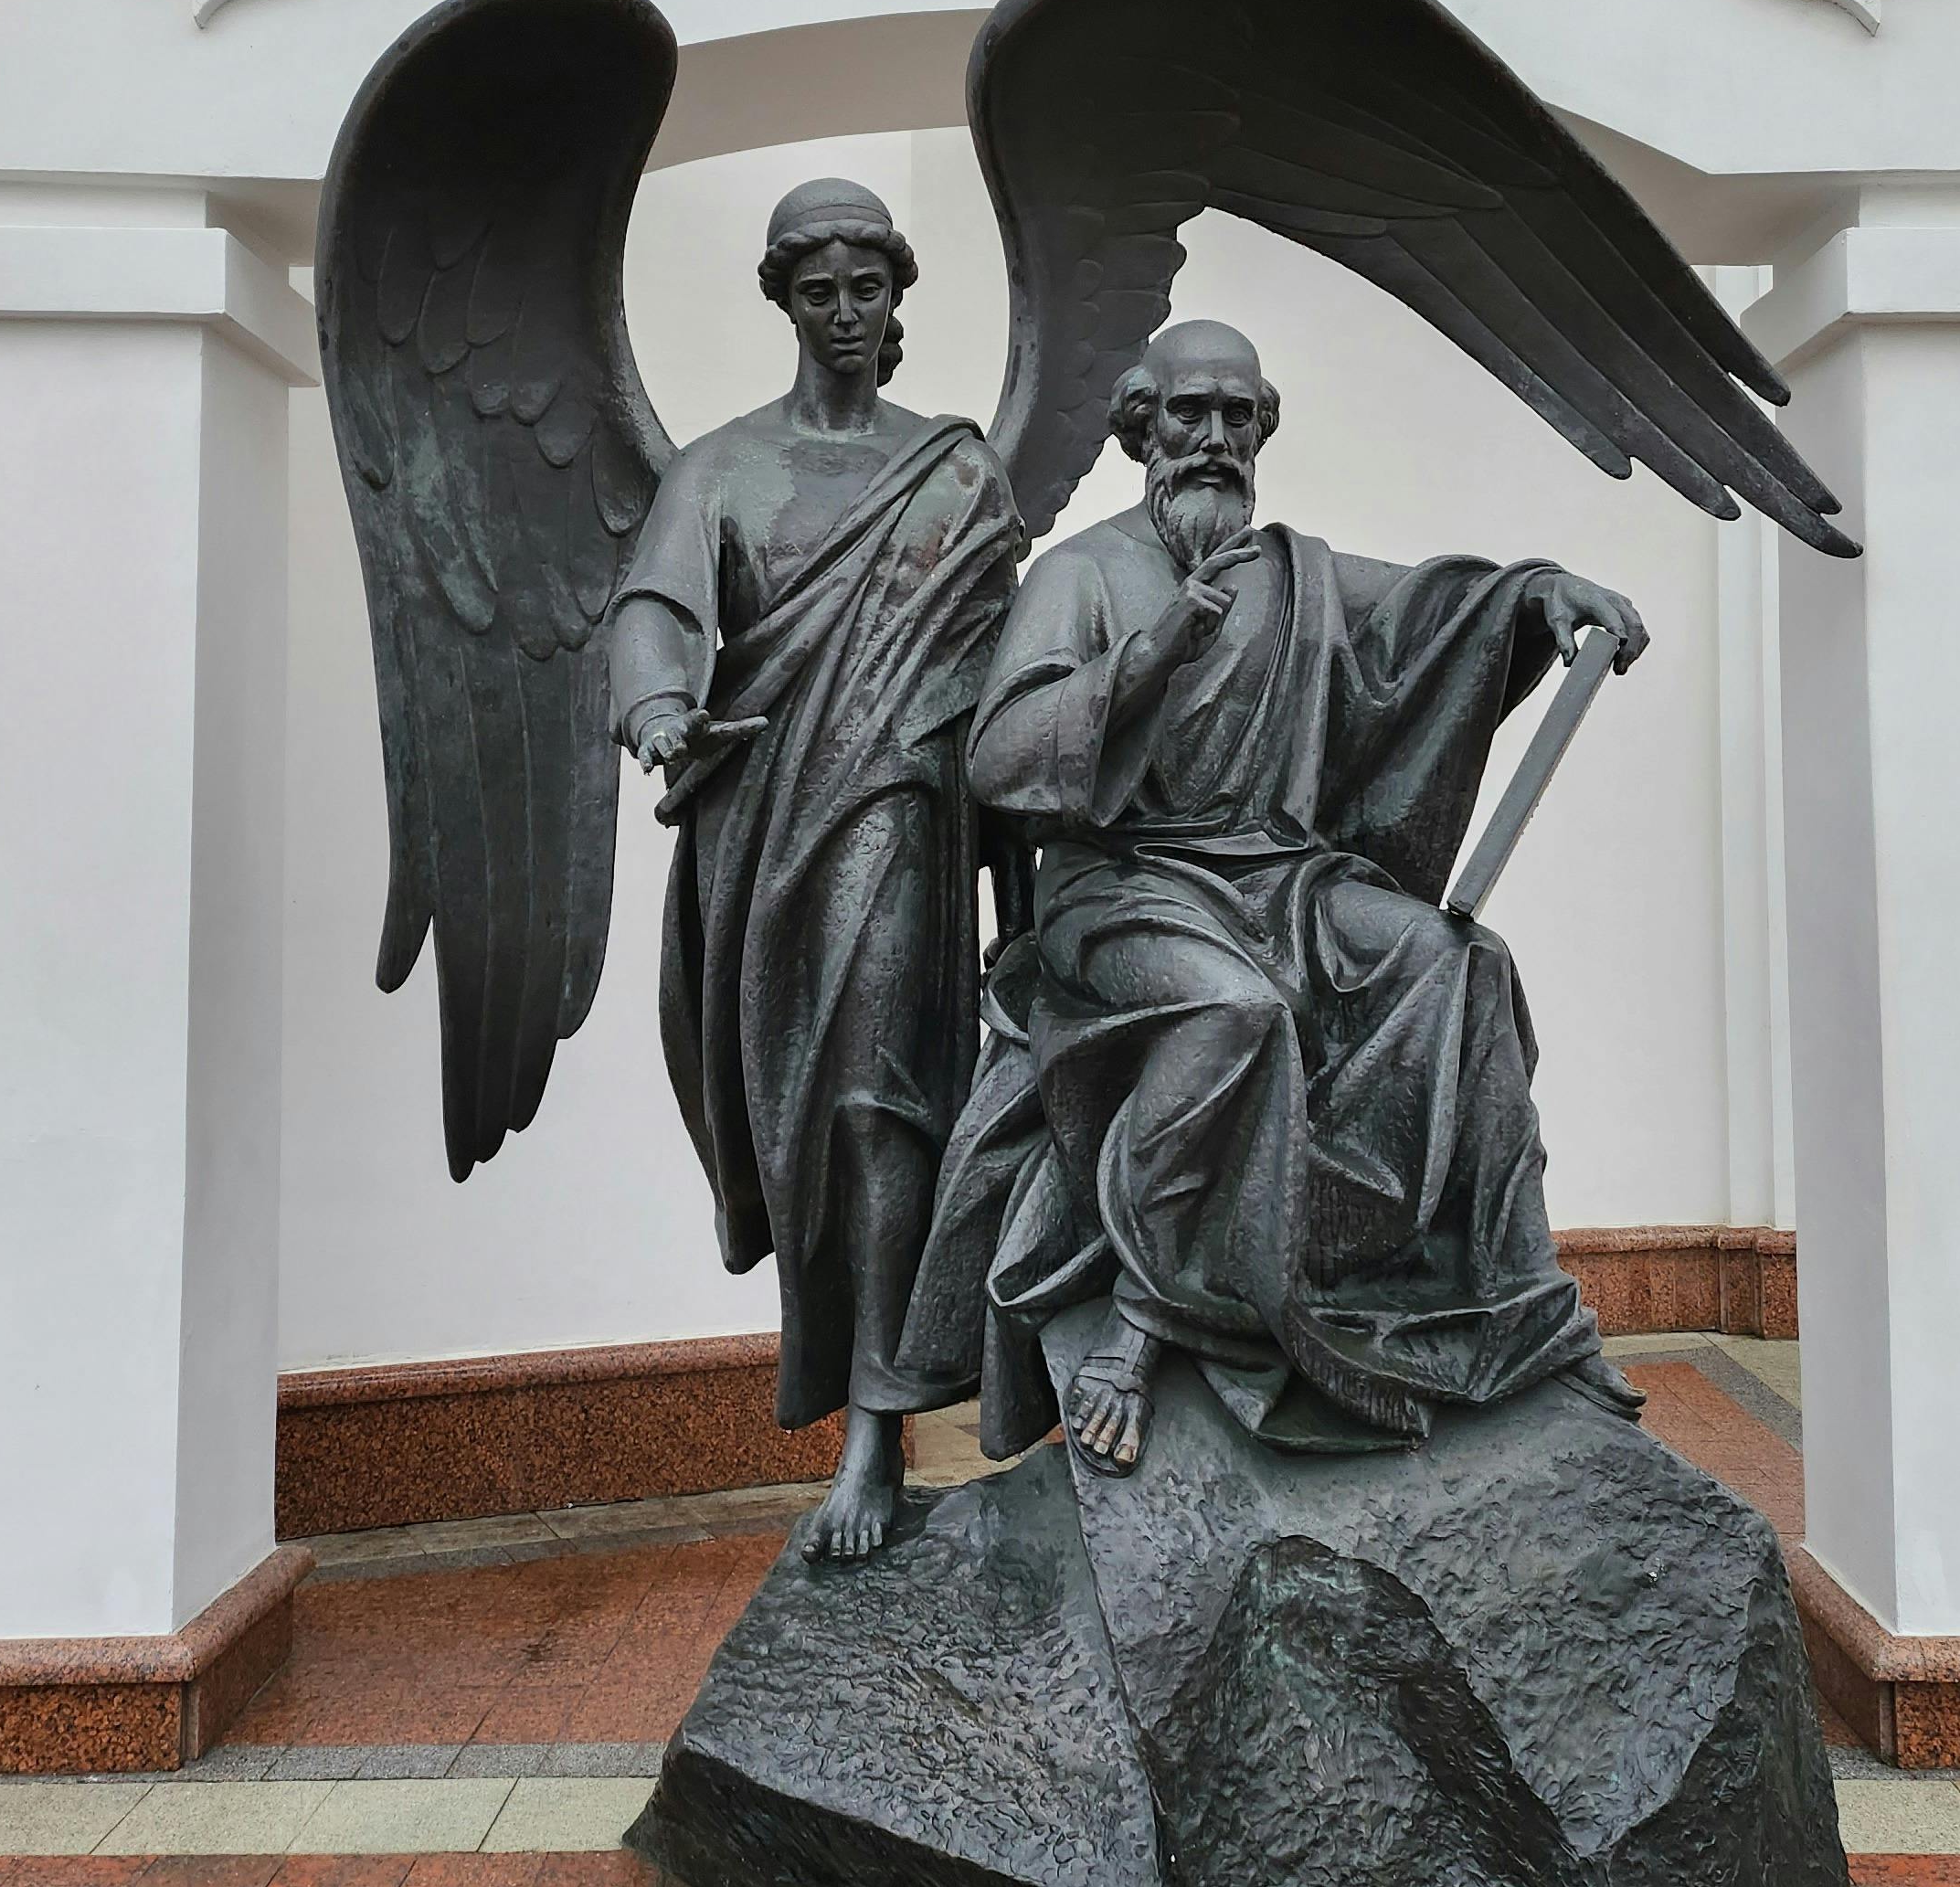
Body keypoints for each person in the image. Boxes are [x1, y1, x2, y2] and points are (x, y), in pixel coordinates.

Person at [895, 315, 1647, 1471]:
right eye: (1186, 415)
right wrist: (1144, 660)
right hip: (1127, 887)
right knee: (1232, 1014)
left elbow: (1431, 614)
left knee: (1458, 966)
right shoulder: (1082, 574)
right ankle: (1147, 1324)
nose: (1211, 440)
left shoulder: (1289, 571)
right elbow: (1001, 760)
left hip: (1280, 879)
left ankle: (1524, 1307)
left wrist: (1542, 597)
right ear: (1142, 426)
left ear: (1262, 427)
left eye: (1234, 416)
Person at [610, 178, 1023, 1557]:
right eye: (819, 290)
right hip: (764, 840)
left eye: (868, 287)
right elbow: (656, 613)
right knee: (806, 1136)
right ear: (783, 299)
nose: (846, 313)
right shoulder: (717, 470)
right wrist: (662, 708)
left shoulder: (956, 472)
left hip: (906, 826)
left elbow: (1008, 679)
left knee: (877, 1109)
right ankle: (864, 1412)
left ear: (899, 293)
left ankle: (876, 1435)